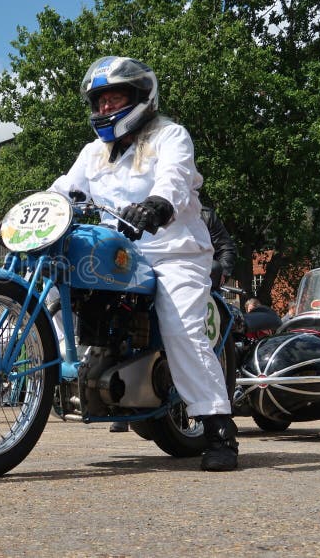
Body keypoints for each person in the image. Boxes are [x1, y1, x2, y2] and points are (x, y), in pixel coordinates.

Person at [49, 56, 238, 471]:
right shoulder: (93, 152)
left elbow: (174, 177)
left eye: (112, 98)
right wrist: (43, 206)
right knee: (56, 291)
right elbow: (65, 188)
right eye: (98, 102)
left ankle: (218, 428)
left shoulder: (170, 135)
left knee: (182, 328)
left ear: (139, 97)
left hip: (173, 248)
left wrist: (156, 205)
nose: (104, 109)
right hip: (117, 252)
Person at [110, 204, 238, 434]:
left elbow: (226, 247)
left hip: (188, 265)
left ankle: (217, 427)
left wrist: (221, 272)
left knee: (182, 330)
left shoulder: (201, 214)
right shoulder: (123, 199)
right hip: (134, 258)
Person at [201, 206, 237, 288]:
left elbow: (226, 248)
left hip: (206, 284)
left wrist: (222, 273)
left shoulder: (206, 215)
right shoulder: (166, 217)